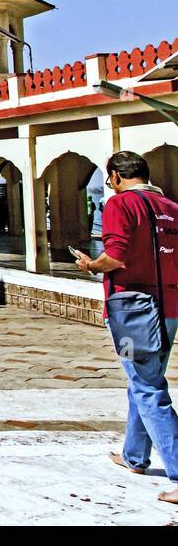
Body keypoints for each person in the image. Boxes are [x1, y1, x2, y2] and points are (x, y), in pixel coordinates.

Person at [74, 150, 178, 505]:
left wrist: (91, 265)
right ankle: (135, 456)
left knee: (147, 387)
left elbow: (115, 256)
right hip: (169, 308)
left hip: (134, 312)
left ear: (116, 176)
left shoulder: (120, 205)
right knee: (143, 381)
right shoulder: (171, 207)